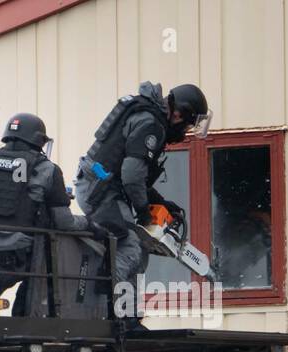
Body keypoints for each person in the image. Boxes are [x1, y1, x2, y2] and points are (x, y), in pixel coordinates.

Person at [74, 81, 211, 317]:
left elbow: (133, 176)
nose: (186, 130)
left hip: (104, 187)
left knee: (138, 249)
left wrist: (159, 201)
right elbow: (131, 175)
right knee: (129, 247)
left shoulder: (147, 114)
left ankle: (129, 317)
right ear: (178, 114)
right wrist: (144, 211)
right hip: (100, 191)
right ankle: (106, 311)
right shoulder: (152, 124)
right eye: (188, 124)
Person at [0, 112, 92, 315]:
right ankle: (26, 316)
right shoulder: (46, 169)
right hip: (12, 253)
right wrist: (90, 224)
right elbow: (63, 222)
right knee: (49, 262)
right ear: (38, 140)